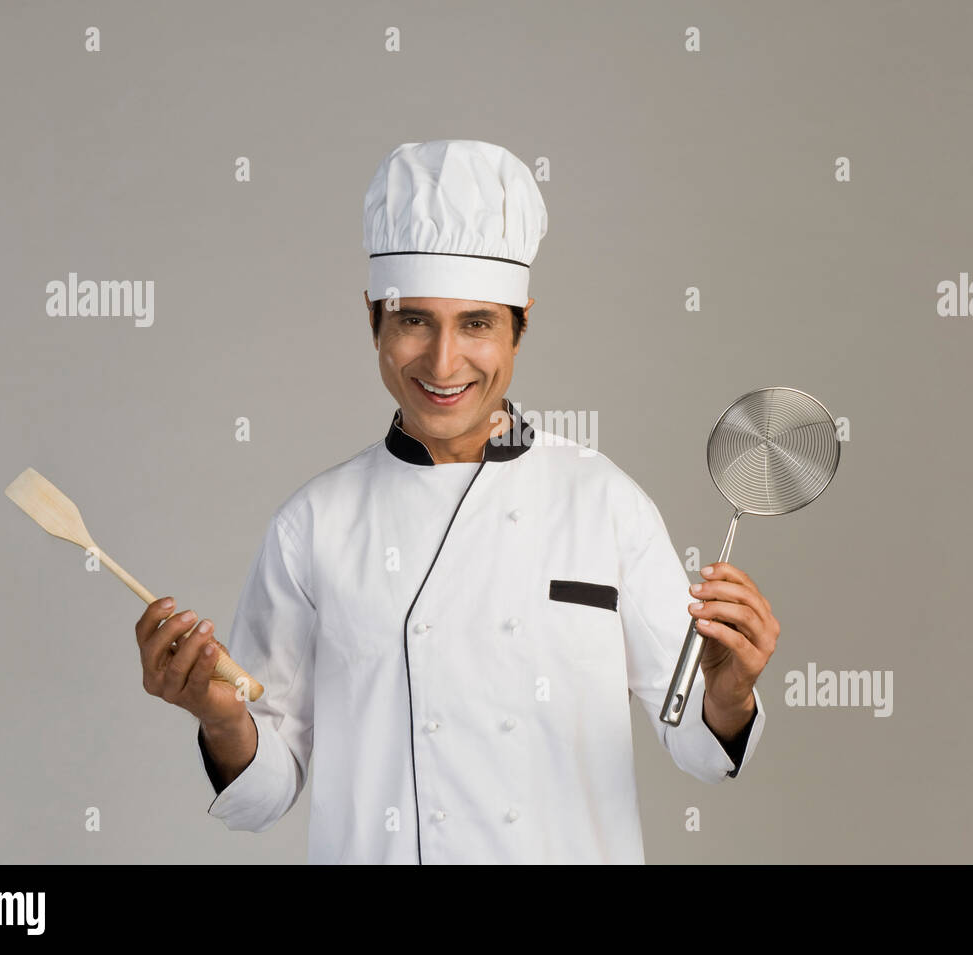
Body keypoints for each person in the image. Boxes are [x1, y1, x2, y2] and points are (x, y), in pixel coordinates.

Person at [133, 140, 780, 864]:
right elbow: (265, 791)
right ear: (373, 318)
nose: (443, 364)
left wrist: (729, 694)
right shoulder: (313, 526)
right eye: (414, 321)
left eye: (476, 323)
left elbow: (700, 744)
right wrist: (220, 716)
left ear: (520, 324)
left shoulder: (604, 503)